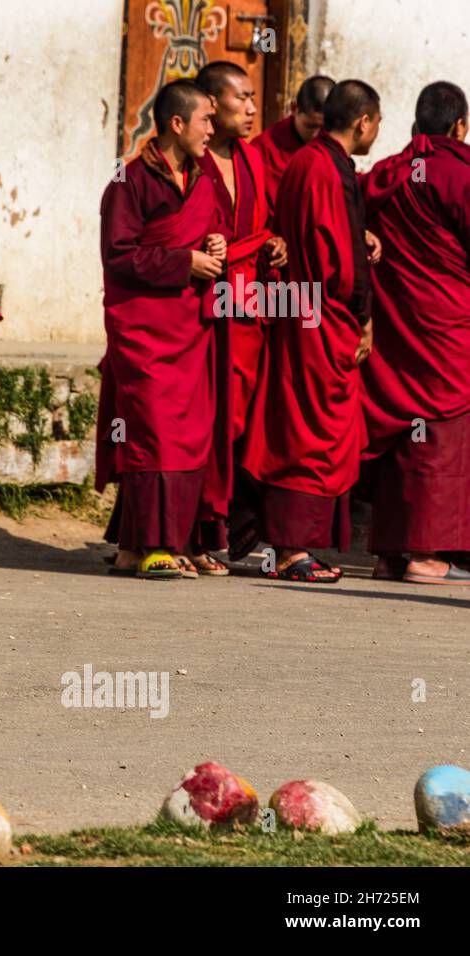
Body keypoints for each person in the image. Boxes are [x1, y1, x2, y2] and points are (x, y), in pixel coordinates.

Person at [238, 80, 384, 582]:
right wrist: (363, 318)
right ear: (363, 121)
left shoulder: (304, 161)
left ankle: (290, 547)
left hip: (298, 310)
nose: (376, 131)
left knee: (293, 423)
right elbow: (341, 267)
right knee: (310, 434)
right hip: (324, 317)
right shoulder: (334, 168)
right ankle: (293, 550)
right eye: (376, 122)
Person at [97, 79, 227, 579]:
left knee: (188, 435)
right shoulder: (127, 181)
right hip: (145, 329)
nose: (212, 130)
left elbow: (211, 226)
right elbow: (119, 255)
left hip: (188, 326)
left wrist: (213, 245)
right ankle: (153, 545)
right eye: (205, 121)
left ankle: (148, 545)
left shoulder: (201, 177)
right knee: (152, 433)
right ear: (177, 123)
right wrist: (184, 260)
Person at [361, 81, 470, 585]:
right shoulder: (458, 174)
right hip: (448, 326)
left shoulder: (390, 171)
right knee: (441, 434)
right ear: (460, 126)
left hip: (395, 327)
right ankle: (428, 556)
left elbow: (350, 213)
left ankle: (389, 553)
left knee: (401, 429)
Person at [192, 62, 288, 572]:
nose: (253, 109)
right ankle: (192, 532)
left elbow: (266, 221)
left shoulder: (252, 159)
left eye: (254, 98)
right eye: (242, 98)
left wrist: (275, 243)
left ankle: (221, 530)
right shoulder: (191, 159)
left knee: (238, 420)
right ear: (210, 102)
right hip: (201, 309)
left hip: (248, 307)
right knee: (203, 419)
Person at [252, 74, 335, 209]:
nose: (316, 136)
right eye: (310, 126)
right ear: (294, 108)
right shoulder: (264, 149)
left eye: (324, 128)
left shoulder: (334, 142)